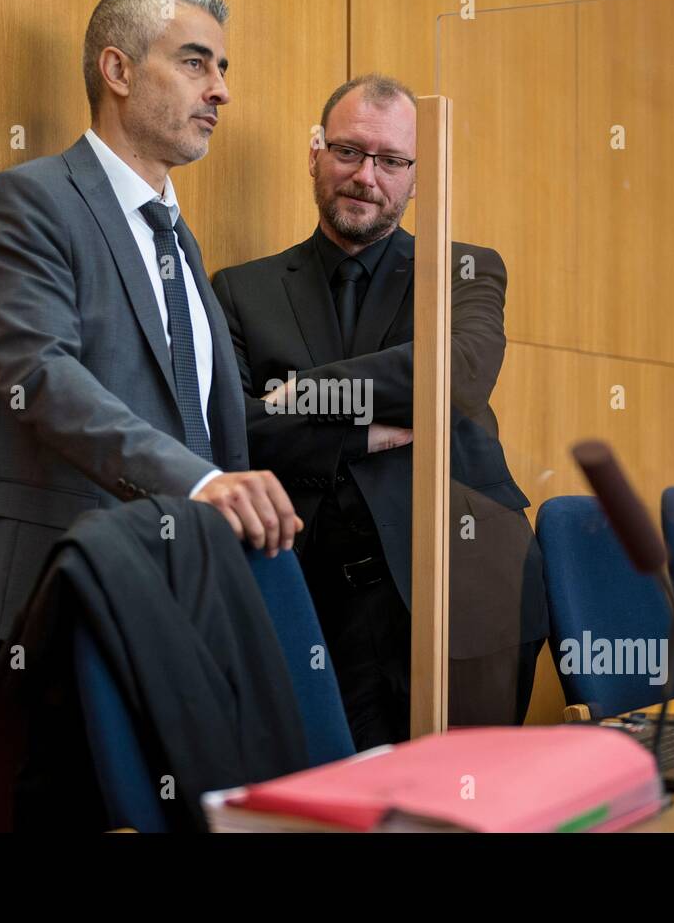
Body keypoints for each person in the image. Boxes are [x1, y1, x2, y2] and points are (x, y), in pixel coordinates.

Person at [0, 0, 300, 643]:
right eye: (196, 63)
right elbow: (43, 378)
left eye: (222, 69)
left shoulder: (180, 239)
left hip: (192, 600)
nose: (220, 90)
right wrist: (197, 485)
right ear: (118, 70)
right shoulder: (30, 201)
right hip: (69, 595)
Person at [213, 74, 547, 750]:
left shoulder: (466, 271)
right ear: (314, 154)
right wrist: (366, 432)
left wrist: (302, 392)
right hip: (312, 593)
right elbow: (237, 428)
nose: (367, 176)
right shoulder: (240, 290)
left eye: (392, 161)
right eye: (348, 151)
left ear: (417, 177)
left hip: (463, 582)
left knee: (465, 805)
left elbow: (457, 376)